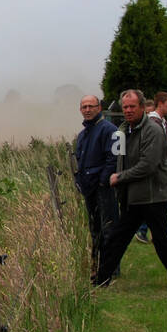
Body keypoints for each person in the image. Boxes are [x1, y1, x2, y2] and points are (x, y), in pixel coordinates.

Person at [95, 90, 167, 291]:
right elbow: (118, 159)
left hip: (153, 196)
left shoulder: (152, 131)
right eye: (125, 107)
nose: (128, 110)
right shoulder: (121, 130)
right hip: (131, 197)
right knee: (117, 238)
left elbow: (149, 165)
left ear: (142, 107)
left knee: (161, 239)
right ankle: (101, 279)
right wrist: (111, 176)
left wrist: (120, 177)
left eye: (132, 106)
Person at [74, 95, 120, 282]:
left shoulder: (112, 131)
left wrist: (103, 181)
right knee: (95, 229)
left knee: (109, 228)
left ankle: (112, 268)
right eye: (84, 106)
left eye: (91, 106)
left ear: (99, 108)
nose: (87, 109)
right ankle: (100, 265)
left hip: (105, 188)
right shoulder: (83, 134)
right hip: (89, 189)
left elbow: (115, 159)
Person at [135, 91, 167, 242]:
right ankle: (143, 231)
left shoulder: (163, 122)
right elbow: (161, 144)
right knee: (154, 202)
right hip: (154, 167)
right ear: (160, 104)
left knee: (158, 203)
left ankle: (158, 234)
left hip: (162, 165)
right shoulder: (153, 122)